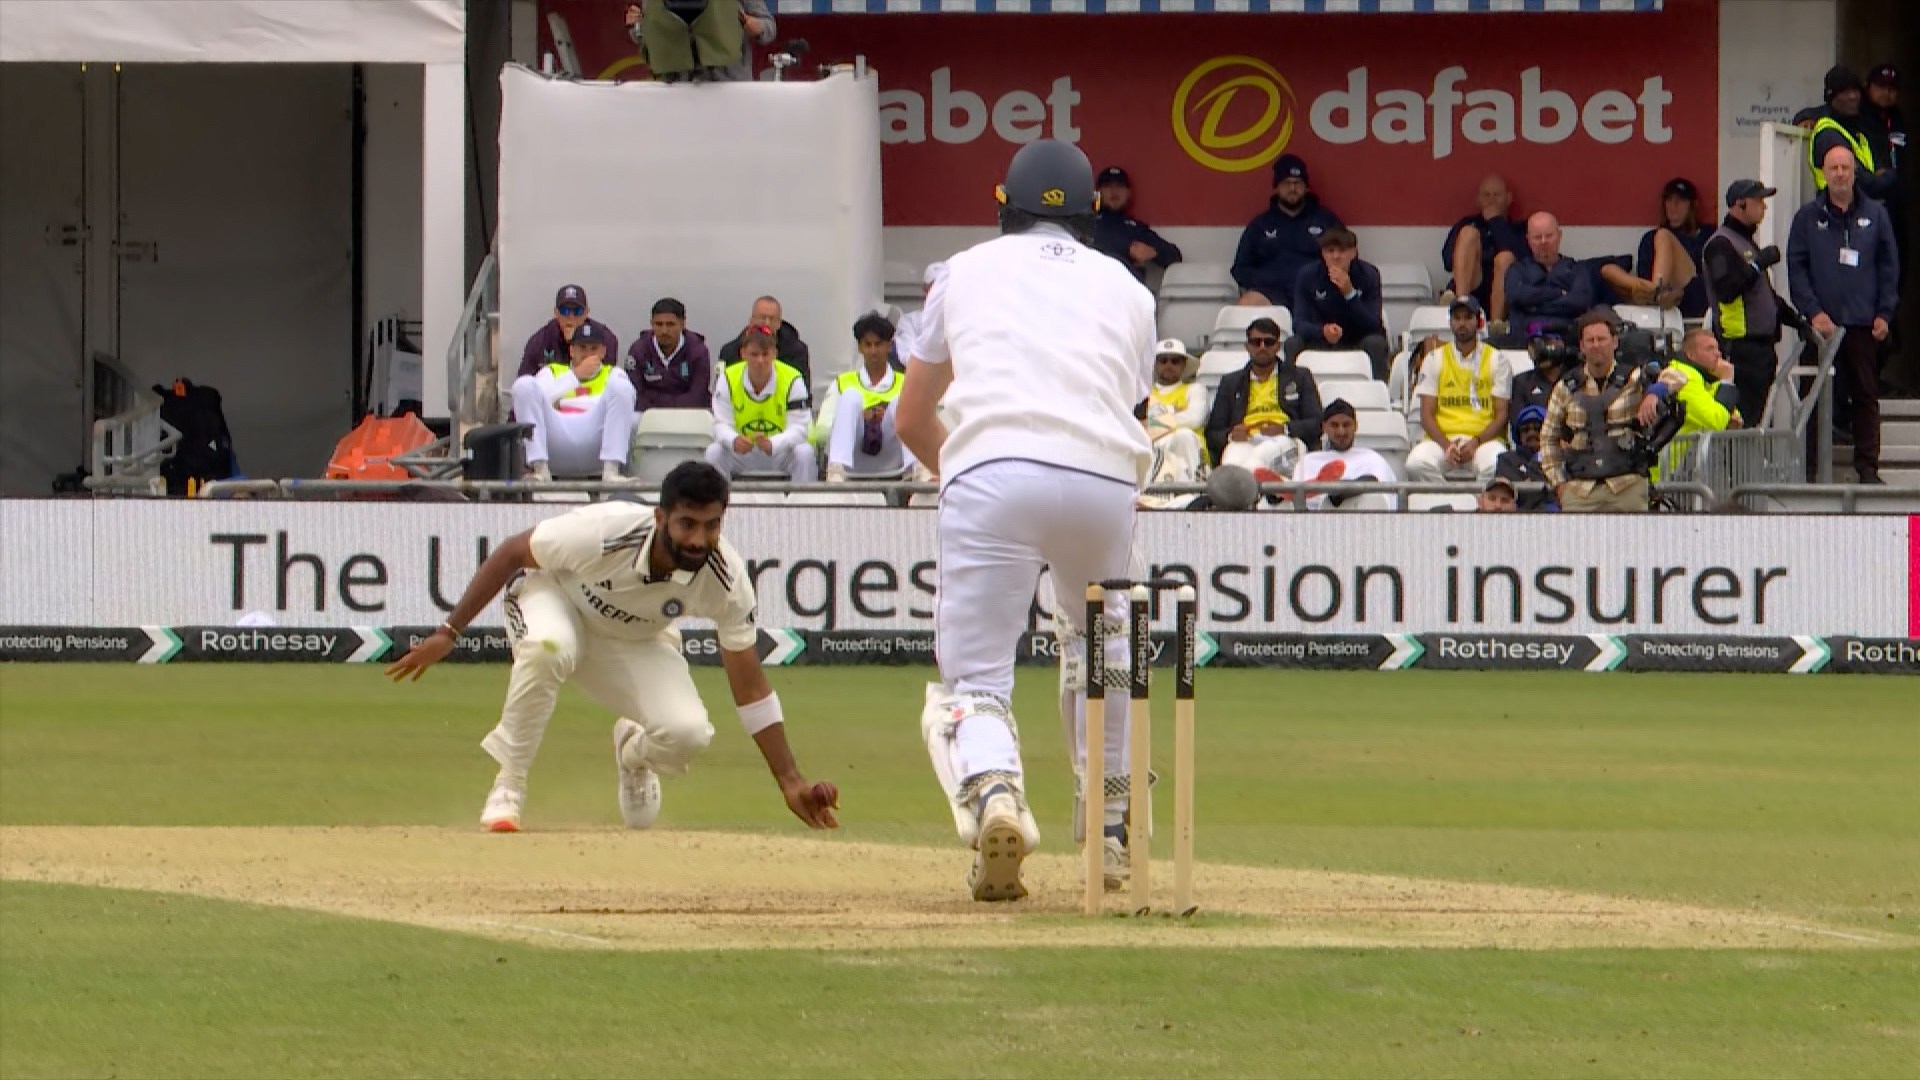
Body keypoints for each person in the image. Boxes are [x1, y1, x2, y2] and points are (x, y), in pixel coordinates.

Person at [893, 138, 1156, 902]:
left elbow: (912, 418)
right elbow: (1122, 401)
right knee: (1100, 651)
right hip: (1105, 477)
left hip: (991, 467)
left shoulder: (963, 269)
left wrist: (971, 478)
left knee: (973, 681)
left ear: (1002, 206)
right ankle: (1111, 832)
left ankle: (995, 792)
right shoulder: (1130, 290)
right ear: (1089, 218)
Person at [384, 460, 839, 834]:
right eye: (687, 524)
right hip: (554, 600)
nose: (698, 539)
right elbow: (511, 553)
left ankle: (633, 754)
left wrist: (790, 781)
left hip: (636, 637)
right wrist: (450, 630)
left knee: (687, 734)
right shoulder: (606, 530)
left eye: (711, 526)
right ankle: (510, 783)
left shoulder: (726, 578)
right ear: (661, 517)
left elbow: (750, 685)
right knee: (548, 647)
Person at [1787, 146, 1900, 484]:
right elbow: (1797, 269)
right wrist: (1813, 311)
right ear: (1823, 172)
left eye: (1845, 168)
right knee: (1813, 397)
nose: (1839, 174)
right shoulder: (1807, 217)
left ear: (1854, 173)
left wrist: (1884, 313)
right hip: (1821, 327)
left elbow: (1889, 267)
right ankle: (1808, 470)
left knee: (1866, 395)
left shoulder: (1876, 215)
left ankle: (1867, 468)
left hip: (1863, 323)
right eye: (1833, 167)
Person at [1538, 310, 1689, 513]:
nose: (1596, 345)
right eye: (1590, 340)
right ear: (1582, 346)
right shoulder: (1565, 386)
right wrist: (1559, 483)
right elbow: (1548, 437)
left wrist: (1654, 393)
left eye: (1602, 339)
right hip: (1579, 489)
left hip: (1627, 485)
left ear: (1614, 342)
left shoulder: (1634, 377)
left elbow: (1678, 377)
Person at [1702, 180, 1804, 427]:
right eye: (1758, 201)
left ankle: (1753, 465)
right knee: (1744, 419)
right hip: (1740, 347)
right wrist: (1759, 264)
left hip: (1760, 348)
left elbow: (1764, 297)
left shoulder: (1744, 242)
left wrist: (1797, 321)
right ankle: (1735, 467)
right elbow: (1726, 290)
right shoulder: (1720, 244)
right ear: (1740, 205)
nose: (1763, 208)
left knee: (1757, 418)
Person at [509, 321, 638, 481]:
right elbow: (529, 401)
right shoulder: (552, 371)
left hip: (596, 441)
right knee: (523, 384)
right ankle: (540, 470)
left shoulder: (613, 374)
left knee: (623, 387)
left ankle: (611, 471)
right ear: (571, 350)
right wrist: (575, 375)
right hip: (556, 438)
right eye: (582, 348)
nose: (587, 354)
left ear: (603, 352)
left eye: (593, 349)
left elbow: (625, 403)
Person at [1406, 297, 1511, 484]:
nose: (1462, 324)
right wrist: (1446, 445)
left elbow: (1501, 415)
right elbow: (1426, 414)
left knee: (1496, 464)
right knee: (1416, 464)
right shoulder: (1434, 359)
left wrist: (1476, 442)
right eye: (1457, 318)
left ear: (1478, 322)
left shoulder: (1497, 360)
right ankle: (1447, 504)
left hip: (1483, 441)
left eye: (1468, 318)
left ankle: (1478, 508)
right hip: (1443, 440)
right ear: (1450, 322)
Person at [1203, 316, 1323, 478]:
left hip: (1285, 439)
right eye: (1256, 342)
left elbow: (1317, 423)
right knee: (1229, 467)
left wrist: (1285, 429)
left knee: (1256, 463)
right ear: (1247, 346)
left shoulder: (1300, 376)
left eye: (1268, 342)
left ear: (1278, 346)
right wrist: (1231, 435)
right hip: (1244, 440)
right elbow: (1213, 433)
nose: (1262, 347)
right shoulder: (1230, 382)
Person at [706, 324, 816, 481]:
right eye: (754, 354)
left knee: (804, 453)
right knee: (714, 452)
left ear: (775, 354)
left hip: (779, 452)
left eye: (766, 354)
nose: (760, 361)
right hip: (741, 452)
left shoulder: (793, 379)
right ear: (742, 353)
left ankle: (801, 503)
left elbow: (800, 428)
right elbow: (720, 424)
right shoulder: (728, 378)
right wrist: (734, 440)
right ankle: (718, 503)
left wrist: (773, 443)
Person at [1231, 154, 1342, 308]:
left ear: (1306, 186)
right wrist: (1267, 281)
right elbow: (1240, 269)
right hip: (1271, 294)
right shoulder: (1260, 225)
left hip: (1316, 292)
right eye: (1286, 183)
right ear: (1276, 187)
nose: (1292, 188)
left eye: (1297, 183)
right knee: (1246, 304)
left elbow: (1346, 258)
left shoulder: (1326, 221)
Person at [1286, 228, 1390, 380]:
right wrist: (1323, 331)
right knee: (1293, 343)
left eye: (1342, 251)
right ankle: (1290, 392)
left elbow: (1373, 324)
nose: (1336, 256)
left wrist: (1350, 294)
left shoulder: (1369, 274)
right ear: (1323, 253)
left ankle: (1380, 393)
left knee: (1376, 343)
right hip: (1320, 339)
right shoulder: (1307, 275)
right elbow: (1299, 323)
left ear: (1353, 253)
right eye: (1330, 251)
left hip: (1356, 339)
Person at [823, 313, 916, 481]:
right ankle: (836, 472)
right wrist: (860, 419)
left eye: (878, 344)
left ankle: (915, 470)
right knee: (851, 397)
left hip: (892, 457)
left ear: (889, 346)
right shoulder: (843, 382)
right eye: (868, 345)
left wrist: (885, 419)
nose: (873, 351)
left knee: (899, 403)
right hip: (853, 460)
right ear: (859, 347)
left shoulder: (905, 382)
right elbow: (822, 431)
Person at [1288, 398, 1399, 510]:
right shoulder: (1308, 462)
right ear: (1324, 427)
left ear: (1355, 426)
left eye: (1346, 425)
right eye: (1334, 425)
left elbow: (1388, 504)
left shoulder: (1373, 459)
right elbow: (1299, 506)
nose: (1341, 432)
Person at [1442, 174, 1524, 322]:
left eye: (1497, 194)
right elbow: (1448, 261)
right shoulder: (1467, 223)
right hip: (1472, 285)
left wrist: (1495, 222)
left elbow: (1523, 259)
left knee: (1504, 258)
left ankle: (1495, 326)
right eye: (1486, 195)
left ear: (1508, 198)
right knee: (1468, 234)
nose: (1491, 199)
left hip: (1504, 292)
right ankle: (1462, 305)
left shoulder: (1518, 229)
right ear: (1478, 199)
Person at [1622, 178, 1710, 316]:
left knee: (1663, 236)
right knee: (1607, 269)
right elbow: (1644, 276)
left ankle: (1658, 292)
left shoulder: (1706, 234)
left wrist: (1678, 292)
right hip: (1653, 295)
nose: (1673, 205)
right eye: (1669, 200)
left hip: (1689, 295)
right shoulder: (1650, 238)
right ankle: (1656, 294)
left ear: (1691, 205)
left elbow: (1708, 277)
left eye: (1680, 200)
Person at [1090, 166, 1182, 284]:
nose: (1114, 191)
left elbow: (1174, 256)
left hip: (1126, 292)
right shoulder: (1086, 222)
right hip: (1093, 287)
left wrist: (1154, 252)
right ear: (1098, 192)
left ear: (1128, 193)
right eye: (1108, 186)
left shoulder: (1135, 228)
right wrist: (1127, 249)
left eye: (1120, 186)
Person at [627, 297, 714, 412]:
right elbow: (635, 394)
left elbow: (697, 395)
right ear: (651, 324)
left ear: (682, 324)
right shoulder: (638, 350)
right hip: (648, 413)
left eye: (670, 324)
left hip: (689, 413)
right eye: (658, 324)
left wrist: (657, 399)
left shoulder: (698, 351)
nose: (664, 331)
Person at [517, 284, 619, 380]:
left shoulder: (605, 338)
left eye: (577, 311)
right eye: (564, 311)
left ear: (586, 313)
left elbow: (607, 379)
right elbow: (524, 383)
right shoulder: (539, 341)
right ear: (556, 313)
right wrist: (575, 374)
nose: (571, 317)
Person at [1144, 338, 1209, 486]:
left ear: (1183, 365)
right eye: (1163, 360)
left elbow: (1194, 419)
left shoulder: (1195, 390)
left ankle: (1194, 490)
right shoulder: (1143, 394)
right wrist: (1174, 411)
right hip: (1153, 449)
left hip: (1189, 449)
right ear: (1155, 364)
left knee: (1184, 435)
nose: (1168, 365)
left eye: (1175, 361)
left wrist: (1152, 422)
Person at [1494, 404, 1556, 511]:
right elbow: (1514, 495)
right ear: (1518, 435)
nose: (1531, 433)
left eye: (1537, 428)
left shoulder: (1559, 458)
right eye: (1525, 429)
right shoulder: (1506, 460)